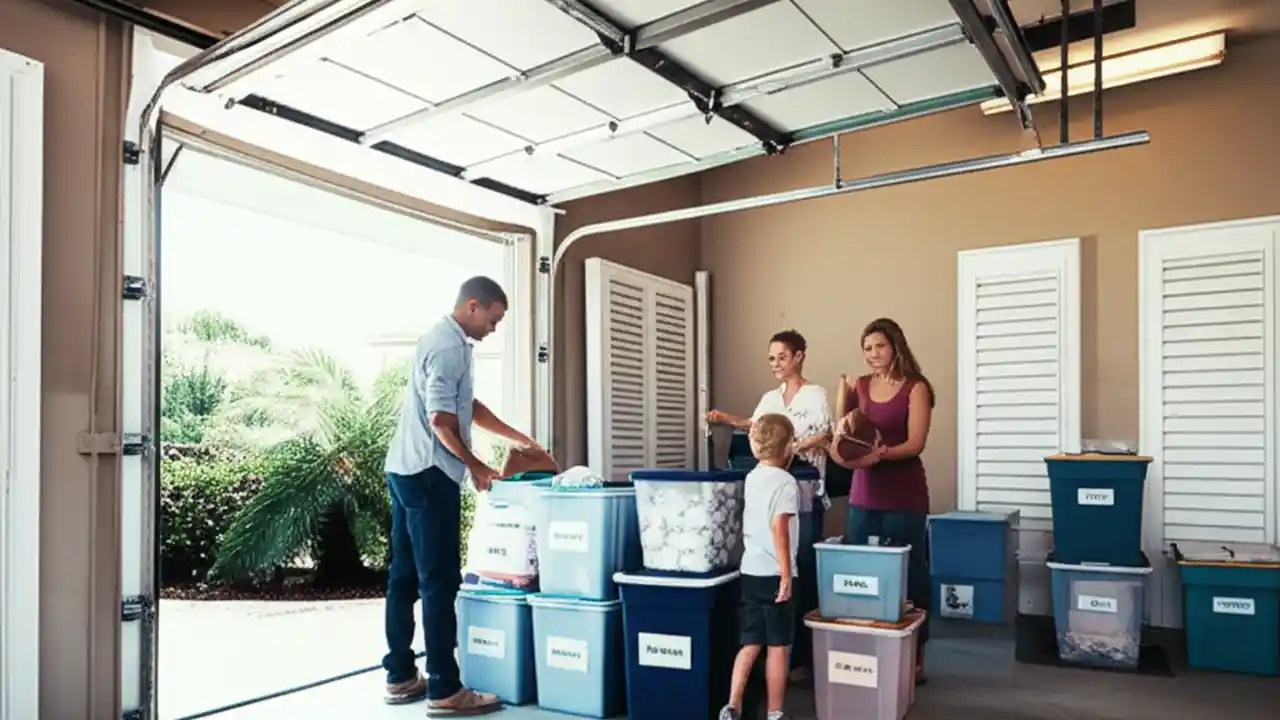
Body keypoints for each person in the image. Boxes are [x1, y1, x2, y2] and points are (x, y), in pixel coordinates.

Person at [381, 276, 541, 715]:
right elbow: (440, 420)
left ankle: (399, 676)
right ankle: (445, 690)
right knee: (439, 583)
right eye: (494, 318)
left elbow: (467, 407)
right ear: (474, 306)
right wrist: (478, 467)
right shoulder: (449, 348)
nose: (494, 327)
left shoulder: (445, 341)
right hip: (430, 475)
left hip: (404, 469)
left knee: (404, 577)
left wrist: (517, 437)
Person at [707, 329, 830, 680]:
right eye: (771, 358)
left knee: (799, 567)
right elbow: (758, 427)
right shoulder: (768, 397)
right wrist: (727, 419)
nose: (775, 363)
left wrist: (795, 445)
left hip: (805, 489)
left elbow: (826, 433)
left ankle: (800, 657)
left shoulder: (815, 395)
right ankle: (774, 652)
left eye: (781, 357)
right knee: (775, 569)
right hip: (775, 487)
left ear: (799, 356)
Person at [830, 317, 935, 685]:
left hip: (904, 496)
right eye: (867, 348)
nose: (873, 354)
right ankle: (868, 652)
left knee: (909, 576)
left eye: (880, 346)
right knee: (862, 575)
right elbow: (844, 430)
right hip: (864, 495)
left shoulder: (916, 388)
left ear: (896, 346)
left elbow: (915, 443)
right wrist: (842, 431)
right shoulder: (859, 385)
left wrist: (882, 455)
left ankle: (915, 654)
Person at [719, 414, 800, 720]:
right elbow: (780, 528)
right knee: (778, 645)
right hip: (774, 574)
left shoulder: (752, 477)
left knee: (750, 641)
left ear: (754, 447)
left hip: (750, 571)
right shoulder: (786, 483)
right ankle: (775, 712)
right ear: (789, 446)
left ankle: (733, 704)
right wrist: (785, 573)